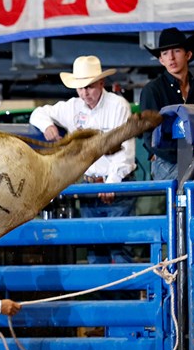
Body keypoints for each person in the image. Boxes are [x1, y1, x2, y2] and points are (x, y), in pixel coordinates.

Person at [29, 55, 135, 264]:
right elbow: (39, 113)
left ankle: (123, 295)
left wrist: (112, 182)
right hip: (90, 188)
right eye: (80, 88)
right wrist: (47, 126)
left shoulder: (118, 106)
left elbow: (125, 150)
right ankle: (108, 296)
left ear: (101, 84)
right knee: (96, 251)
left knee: (118, 249)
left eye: (89, 87)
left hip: (115, 186)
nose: (84, 93)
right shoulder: (72, 107)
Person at [139, 27, 194, 181]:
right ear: (161, 60)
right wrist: (190, 161)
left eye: (176, 51)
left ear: (188, 54)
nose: (171, 57)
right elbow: (149, 137)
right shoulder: (152, 90)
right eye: (165, 53)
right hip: (166, 160)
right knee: (192, 186)